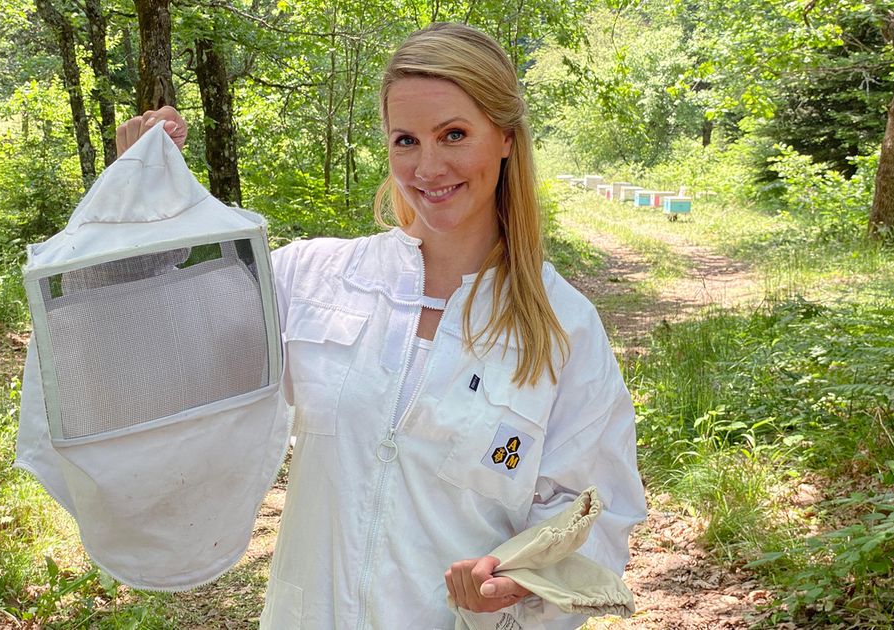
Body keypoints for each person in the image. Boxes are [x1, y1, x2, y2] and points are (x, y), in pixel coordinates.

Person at [116, 22, 646, 630]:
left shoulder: (561, 328)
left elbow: (594, 517)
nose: (428, 166)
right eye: (405, 140)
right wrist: (147, 210)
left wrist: (510, 583)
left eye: (453, 134)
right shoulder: (312, 279)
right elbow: (173, 368)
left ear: (504, 137)